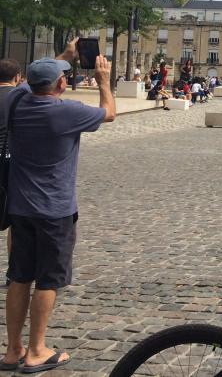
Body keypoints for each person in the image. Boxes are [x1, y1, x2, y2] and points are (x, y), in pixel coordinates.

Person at [3, 43, 117, 373]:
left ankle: (12, 350)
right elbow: (109, 112)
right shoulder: (66, 112)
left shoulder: (16, 103)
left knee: (19, 277)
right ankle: (37, 350)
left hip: (19, 206)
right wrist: (104, 81)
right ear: (62, 84)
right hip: (54, 209)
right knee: (48, 280)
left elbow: (30, 83)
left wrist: (64, 57)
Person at [1, 59, 23, 286]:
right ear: (17, 77)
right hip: (11, 164)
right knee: (16, 222)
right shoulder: (20, 98)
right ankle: (13, 271)